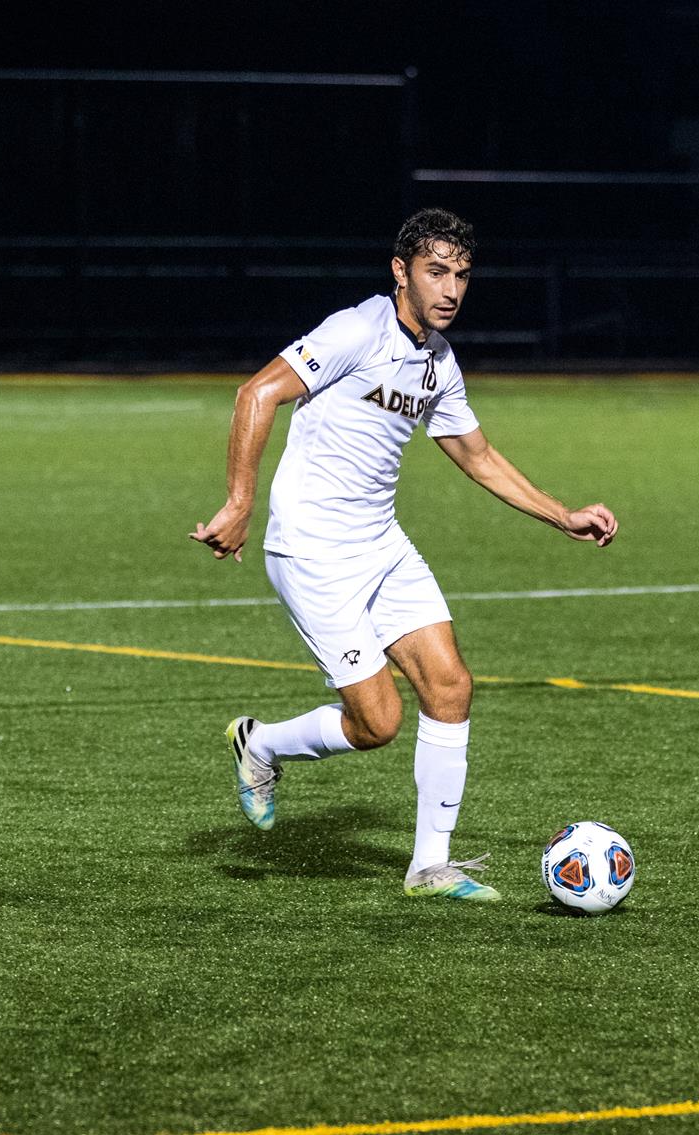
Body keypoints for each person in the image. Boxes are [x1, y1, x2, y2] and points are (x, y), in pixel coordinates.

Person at [189, 208, 618, 902]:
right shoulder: (358, 330)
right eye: (436, 271)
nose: (450, 289)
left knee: (450, 685)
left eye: (462, 274)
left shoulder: (439, 363)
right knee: (378, 723)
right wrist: (240, 501)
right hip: (312, 548)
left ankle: (429, 866)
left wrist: (560, 515)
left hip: (380, 542)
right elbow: (257, 391)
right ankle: (262, 744)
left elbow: (476, 455)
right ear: (401, 272)